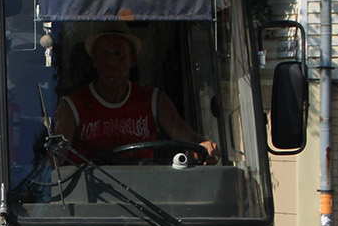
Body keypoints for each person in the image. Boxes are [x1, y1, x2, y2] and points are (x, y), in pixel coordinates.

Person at [53, 27, 218, 163]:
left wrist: (204, 149)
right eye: (105, 54)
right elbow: (56, 159)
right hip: (90, 197)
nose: (112, 62)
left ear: (132, 60)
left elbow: (188, 139)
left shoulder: (154, 100)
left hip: (145, 193)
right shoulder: (71, 105)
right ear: (94, 60)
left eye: (119, 54)